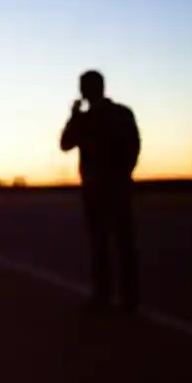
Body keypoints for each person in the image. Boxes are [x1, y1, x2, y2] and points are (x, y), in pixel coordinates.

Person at [60, 70, 141, 312]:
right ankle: (121, 297)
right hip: (109, 187)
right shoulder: (117, 114)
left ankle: (108, 296)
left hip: (103, 187)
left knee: (107, 244)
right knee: (113, 244)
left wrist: (74, 117)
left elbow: (65, 144)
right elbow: (65, 144)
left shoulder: (101, 117)